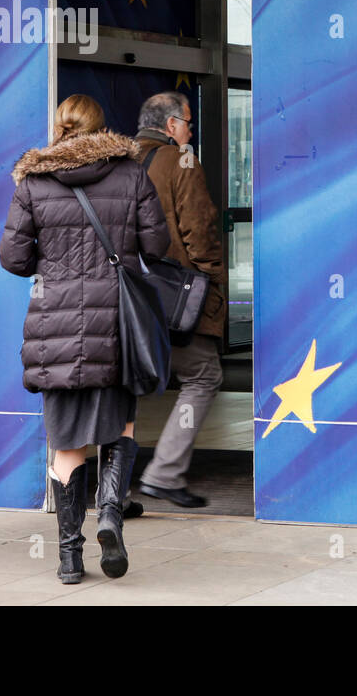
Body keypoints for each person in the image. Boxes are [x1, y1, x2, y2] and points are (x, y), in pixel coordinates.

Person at [0, 95, 170, 584]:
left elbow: (12, 257)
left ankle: (70, 559)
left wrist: (52, 264)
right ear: (101, 128)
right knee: (122, 426)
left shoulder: (33, 181)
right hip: (114, 324)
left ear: (60, 127)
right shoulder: (131, 174)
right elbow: (156, 246)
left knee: (67, 445)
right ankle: (111, 516)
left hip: (54, 328)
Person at [132, 91, 228, 508]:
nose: (191, 130)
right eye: (188, 122)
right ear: (171, 126)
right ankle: (165, 473)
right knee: (203, 376)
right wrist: (212, 284)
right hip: (173, 298)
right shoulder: (181, 161)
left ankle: (111, 487)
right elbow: (199, 230)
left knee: (122, 383)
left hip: (123, 297)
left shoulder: (117, 161)